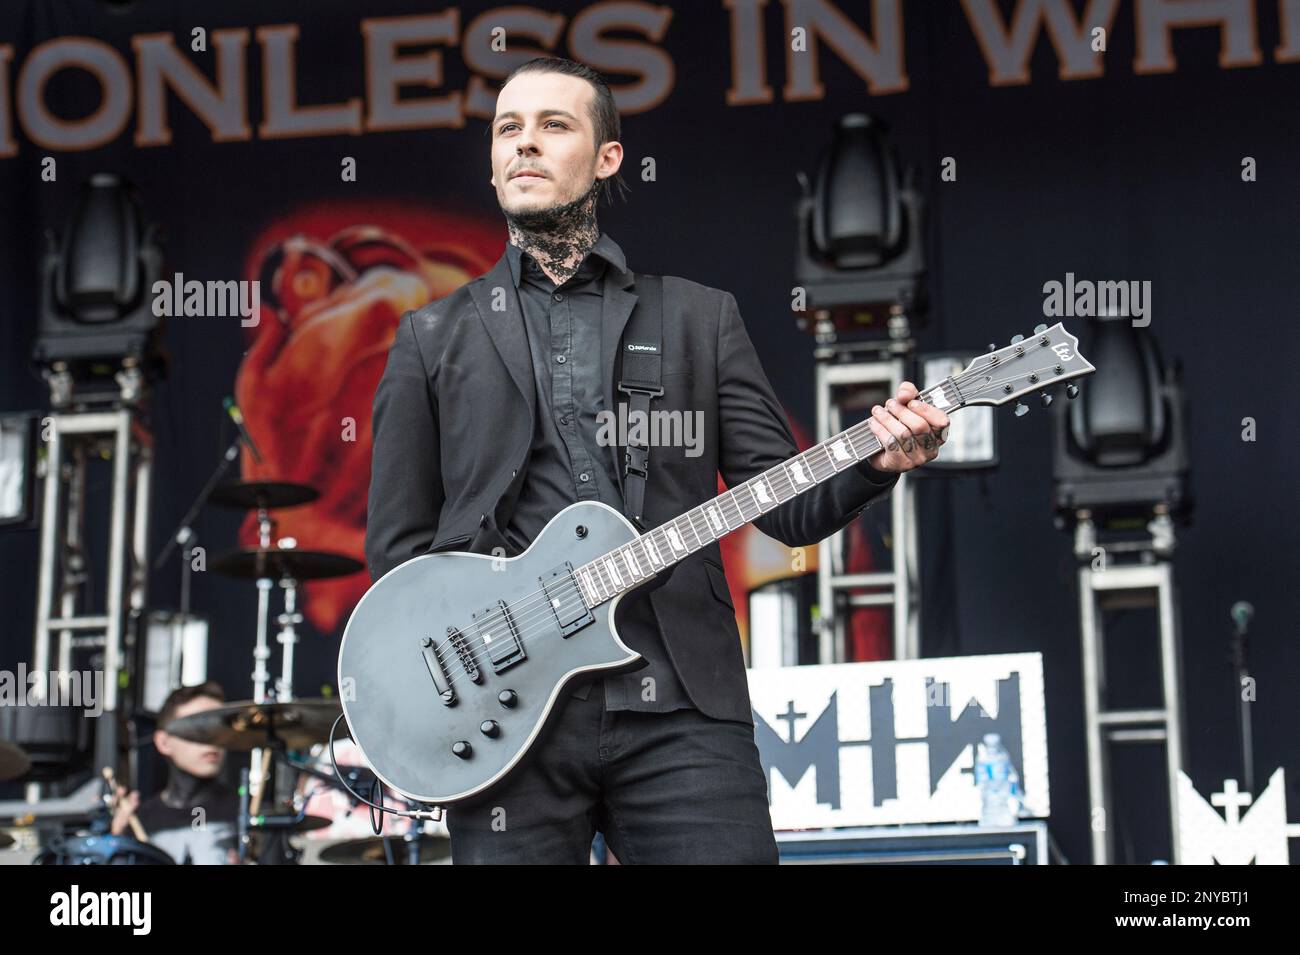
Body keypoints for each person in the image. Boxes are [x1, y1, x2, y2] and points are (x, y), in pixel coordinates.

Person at [365, 56, 949, 864]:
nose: (525, 144)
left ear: (608, 158)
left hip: (680, 704)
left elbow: (783, 504)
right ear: (493, 163)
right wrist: (450, 683)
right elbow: (397, 558)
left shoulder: (698, 320)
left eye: (554, 125)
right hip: (506, 720)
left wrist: (873, 464)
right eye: (509, 128)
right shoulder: (431, 339)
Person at [111, 681, 240, 865]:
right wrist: (116, 841)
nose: (211, 739)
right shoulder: (138, 821)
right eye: (197, 728)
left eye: (219, 728)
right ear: (163, 742)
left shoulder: (250, 812)